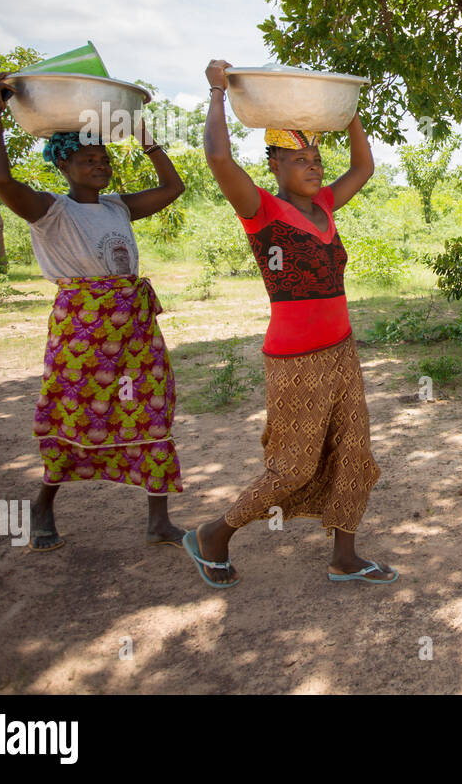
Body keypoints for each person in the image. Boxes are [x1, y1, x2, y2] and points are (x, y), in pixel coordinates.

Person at [181, 59, 394, 588]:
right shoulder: (261, 209)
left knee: (354, 451)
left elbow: (363, 168)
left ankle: (344, 557)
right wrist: (215, 91)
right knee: (294, 467)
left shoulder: (325, 204)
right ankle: (214, 534)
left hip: (340, 348)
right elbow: (216, 157)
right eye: (298, 159)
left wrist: (346, 111)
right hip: (295, 358)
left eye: (316, 157)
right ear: (274, 167)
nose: (313, 166)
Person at [0, 72, 187, 552]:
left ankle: (159, 519)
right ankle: (43, 504)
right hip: (83, 333)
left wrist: (145, 137)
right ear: (64, 165)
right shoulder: (49, 211)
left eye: (104, 157)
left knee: (150, 412)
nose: (99, 163)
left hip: (134, 330)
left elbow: (172, 187)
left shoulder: (117, 208)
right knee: (74, 417)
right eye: (87, 158)